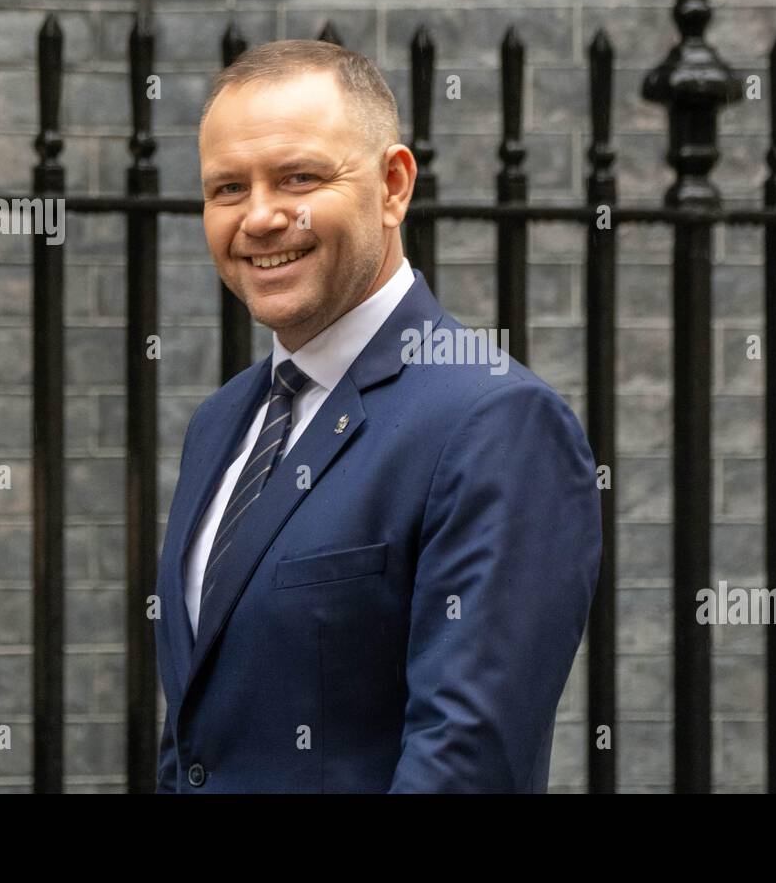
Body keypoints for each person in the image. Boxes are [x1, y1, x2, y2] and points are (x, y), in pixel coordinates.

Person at [154, 39, 601, 792]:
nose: (259, 217)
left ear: (393, 186)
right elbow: (194, 745)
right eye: (228, 188)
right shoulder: (221, 422)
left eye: (299, 177)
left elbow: (465, 765)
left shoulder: (496, 423)